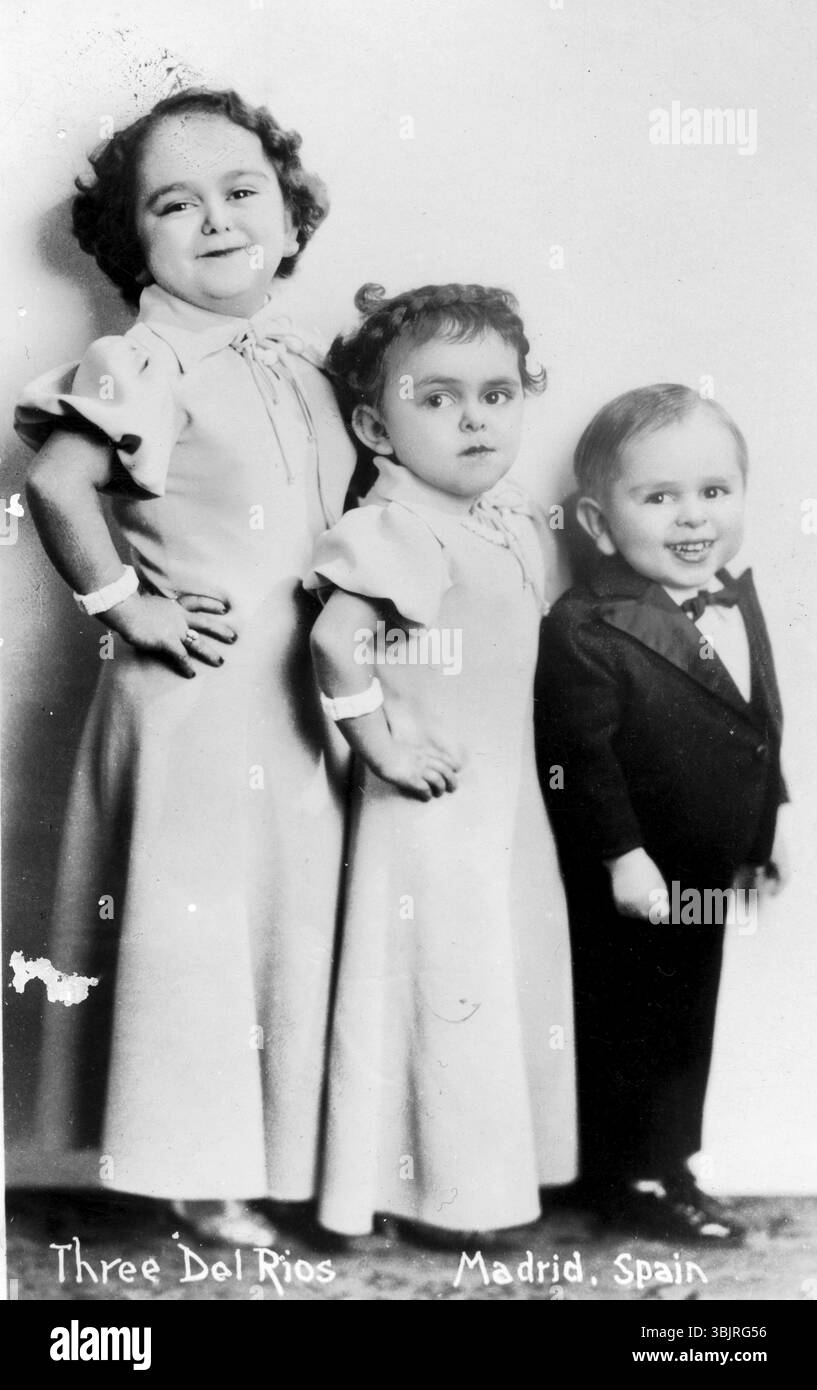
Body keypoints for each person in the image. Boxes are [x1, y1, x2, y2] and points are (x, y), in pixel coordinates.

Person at [14, 88, 356, 1244]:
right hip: (195, 699)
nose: (215, 218)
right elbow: (57, 483)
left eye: (240, 190)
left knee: (287, 918)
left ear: (290, 218)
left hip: (294, 701)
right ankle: (197, 1172)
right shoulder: (142, 354)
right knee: (194, 931)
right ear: (130, 243)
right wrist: (128, 606)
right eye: (175, 204)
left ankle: (277, 1158)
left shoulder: (308, 361)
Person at [305, 283, 577, 1242]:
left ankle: (488, 1178)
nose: (474, 418)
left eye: (496, 395)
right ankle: (433, 1192)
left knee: (491, 979)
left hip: (498, 804)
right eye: (438, 398)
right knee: (438, 984)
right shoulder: (400, 528)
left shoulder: (499, 517)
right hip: (428, 807)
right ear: (377, 428)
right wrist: (380, 744)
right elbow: (336, 642)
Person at [535, 384, 788, 1242]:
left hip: (708, 868)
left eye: (713, 492)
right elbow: (578, 757)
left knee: (688, 1021)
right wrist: (620, 856)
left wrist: (765, 832)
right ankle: (633, 1176)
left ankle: (664, 1162)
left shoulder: (731, 596)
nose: (692, 518)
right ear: (600, 526)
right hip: (636, 873)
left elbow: (758, 722)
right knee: (627, 1025)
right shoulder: (586, 627)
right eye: (658, 497)